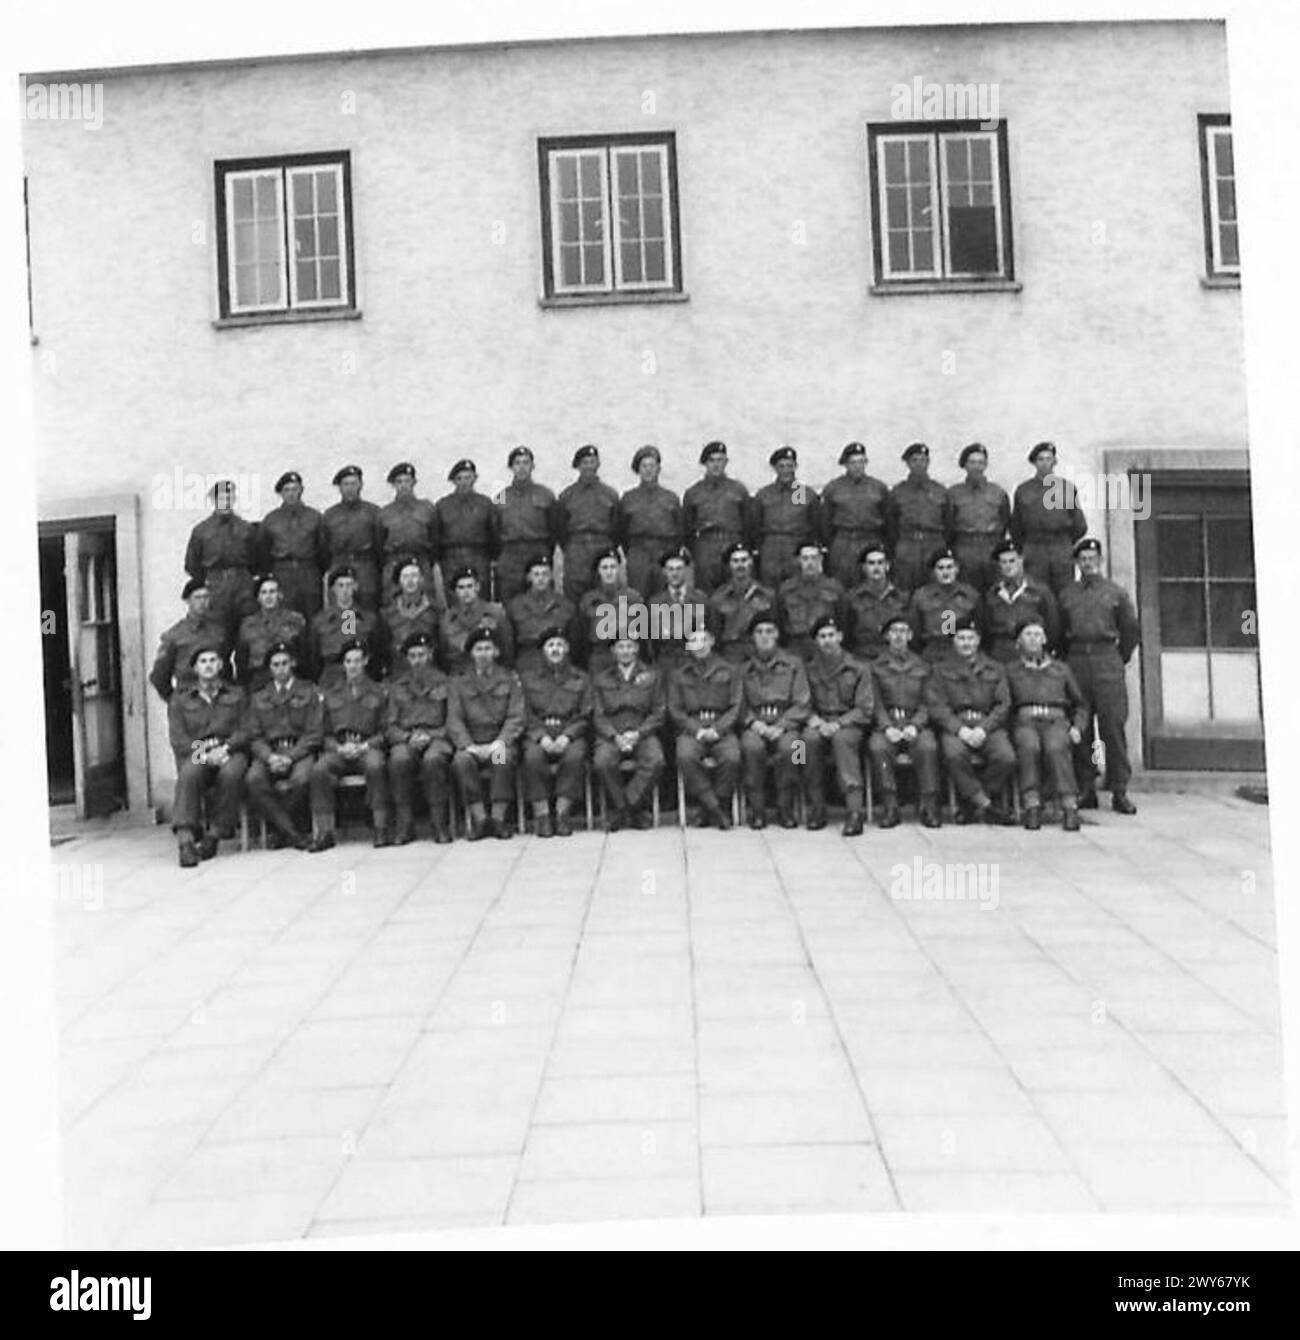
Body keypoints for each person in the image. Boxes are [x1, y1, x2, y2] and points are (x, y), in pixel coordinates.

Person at [1059, 537, 1141, 814]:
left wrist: (1119, 658)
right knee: (1081, 729)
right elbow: (1059, 631)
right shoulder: (1067, 594)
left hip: (1107, 660)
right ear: (1077, 563)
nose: (1088, 564)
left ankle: (1119, 789)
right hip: (1077, 659)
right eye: (1083, 560)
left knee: (1112, 729)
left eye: (1092, 559)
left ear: (1100, 561)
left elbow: (1130, 630)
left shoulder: (1116, 593)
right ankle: (1086, 787)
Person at [925, 615, 1016, 825]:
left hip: (987, 726)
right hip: (957, 726)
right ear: (953, 641)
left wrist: (984, 729)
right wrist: (960, 730)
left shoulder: (995, 668)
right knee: (954, 755)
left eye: (970, 638)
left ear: (978, 640)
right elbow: (937, 706)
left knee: (1006, 757)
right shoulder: (940, 670)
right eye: (961, 638)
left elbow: (1003, 704)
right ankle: (986, 805)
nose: (966, 643)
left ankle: (972, 802)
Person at [167, 644, 248, 867]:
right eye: (203, 662)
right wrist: (205, 754)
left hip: (229, 751)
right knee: (189, 773)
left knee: (232, 773)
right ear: (195, 668)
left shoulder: (236, 695)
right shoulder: (180, 701)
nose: (209, 665)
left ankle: (215, 835)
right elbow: (179, 739)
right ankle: (186, 842)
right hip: (199, 753)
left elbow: (246, 729)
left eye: (213, 660)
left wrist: (226, 749)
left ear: (221, 665)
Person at [308, 639, 392, 850]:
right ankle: (325, 832)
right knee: (319, 770)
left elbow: (386, 731)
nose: (352, 666)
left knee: (376, 766)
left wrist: (365, 746)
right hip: (340, 748)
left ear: (365, 661)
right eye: (348, 661)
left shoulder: (379, 692)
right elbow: (323, 733)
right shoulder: (331, 693)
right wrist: (338, 748)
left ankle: (380, 828)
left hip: (367, 747)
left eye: (357, 660)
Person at [1005, 620, 1088, 831]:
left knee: (1056, 747)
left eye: (1037, 634)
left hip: (1056, 721)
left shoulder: (1061, 669)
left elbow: (1080, 704)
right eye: (1028, 634)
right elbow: (1005, 705)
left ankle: (1069, 806)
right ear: (1018, 641)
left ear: (1044, 639)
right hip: (1025, 722)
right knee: (1029, 747)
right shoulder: (1011, 670)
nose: (1033, 639)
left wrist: (1077, 727)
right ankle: (1031, 805)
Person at [447, 626, 525, 840]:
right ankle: (480, 819)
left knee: (502, 760)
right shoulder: (458, 682)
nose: (483, 653)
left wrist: (499, 742)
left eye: (488, 648)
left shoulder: (509, 679)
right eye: (479, 649)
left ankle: (498, 819)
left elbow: (516, 716)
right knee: (461, 762)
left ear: (496, 652)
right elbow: (454, 719)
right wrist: (468, 745)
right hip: (471, 743)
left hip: (499, 742)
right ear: (472, 653)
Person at [242, 640, 321, 850]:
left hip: (299, 751)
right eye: (275, 665)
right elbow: (254, 737)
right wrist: (270, 757)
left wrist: (290, 757)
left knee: (302, 778)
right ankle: (293, 833)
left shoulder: (309, 691)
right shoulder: (259, 697)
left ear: (293, 663)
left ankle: (279, 830)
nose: (280, 669)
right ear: (269, 668)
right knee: (254, 779)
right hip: (270, 752)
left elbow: (314, 733)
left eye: (284, 663)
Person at [738, 611, 810, 829]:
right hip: (755, 725)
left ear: (778, 634)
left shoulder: (794, 664)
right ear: (752, 637)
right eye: (759, 632)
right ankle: (757, 809)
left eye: (769, 631)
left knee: (797, 751)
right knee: (751, 749)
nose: (764, 636)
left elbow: (803, 702)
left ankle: (786, 807)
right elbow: (737, 705)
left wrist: (781, 726)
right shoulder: (743, 669)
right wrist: (754, 723)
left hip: (787, 725)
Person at [801, 616, 872, 835]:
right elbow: (801, 701)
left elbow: (865, 709)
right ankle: (816, 806)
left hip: (849, 724)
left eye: (831, 635)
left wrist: (838, 724)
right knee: (803, 745)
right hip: (819, 721)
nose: (827, 640)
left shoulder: (859, 668)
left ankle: (854, 811)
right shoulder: (808, 669)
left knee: (842, 742)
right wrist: (813, 719)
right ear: (816, 641)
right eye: (822, 636)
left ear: (840, 637)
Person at [868, 614, 940, 828]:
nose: (899, 636)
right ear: (886, 636)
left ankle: (929, 806)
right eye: (894, 632)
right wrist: (886, 726)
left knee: (928, 746)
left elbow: (929, 702)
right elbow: (874, 701)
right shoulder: (875, 667)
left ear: (910, 636)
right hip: (888, 723)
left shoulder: (923, 666)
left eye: (903, 631)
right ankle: (890, 806)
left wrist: (915, 725)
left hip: (915, 723)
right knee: (878, 748)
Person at [520, 626, 592, 837]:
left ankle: (562, 814)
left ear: (567, 648)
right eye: (550, 645)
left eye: (559, 645)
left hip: (570, 732)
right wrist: (540, 737)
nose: (555, 649)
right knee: (531, 757)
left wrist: (567, 736)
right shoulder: (528, 679)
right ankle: (542, 815)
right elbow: (524, 713)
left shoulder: (581, 678)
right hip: (538, 732)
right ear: (542, 650)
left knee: (575, 756)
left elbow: (585, 713)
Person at [668, 625, 742, 830]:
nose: (699, 645)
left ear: (712, 641)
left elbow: (736, 706)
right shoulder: (678, 673)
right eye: (694, 641)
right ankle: (717, 809)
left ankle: (709, 807)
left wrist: (718, 729)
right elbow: (675, 709)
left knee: (732, 757)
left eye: (703, 640)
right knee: (685, 756)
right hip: (692, 728)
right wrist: (696, 730)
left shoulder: (729, 670)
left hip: (722, 728)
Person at [386, 632, 454, 845]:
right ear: (407, 658)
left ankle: (439, 824)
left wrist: (431, 735)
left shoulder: (446, 682)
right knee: (398, 760)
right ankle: (405, 825)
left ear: (430, 655)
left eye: (421, 655)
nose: (417, 660)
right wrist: (407, 737)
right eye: (413, 656)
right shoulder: (398, 686)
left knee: (433, 760)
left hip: (438, 737)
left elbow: (454, 721)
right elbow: (389, 726)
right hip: (408, 738)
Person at [591, 633, 664, 831]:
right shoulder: (601, 679)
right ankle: (629, 809)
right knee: (602, 761)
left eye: (629, 646)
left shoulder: (652, 675)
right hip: (612, 733)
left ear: (637, 649)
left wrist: (639, 733)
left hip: (642, 732)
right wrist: (615, 736)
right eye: (620, 647)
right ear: (613, 651)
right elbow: (598, 715)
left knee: (655, 760)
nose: (625, 651)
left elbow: (659, 712)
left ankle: (626, 807)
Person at [184, 479, 259, 640]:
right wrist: (210, 582)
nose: (225, 502)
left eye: (229, 498)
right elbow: (192, 564)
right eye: (221, 499)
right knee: (217, 636)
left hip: (243, 586)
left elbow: (257, 560)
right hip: (216, 588)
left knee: (248, 634)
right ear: (214, 500)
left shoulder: (246, 528)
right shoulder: (202, 530)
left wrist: (245, 579)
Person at [1009, 442, 1087, 595]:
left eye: (1048, 459)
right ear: (1034, 463)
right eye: (1040, 459)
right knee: (1036, 593)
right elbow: (1016, 526)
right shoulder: (1024, 490)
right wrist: (1026, 548)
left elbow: (1080, 525)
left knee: (1064, 593)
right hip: (1035, 548)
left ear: (1054, 462)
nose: (1045, 464)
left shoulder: (1066, 488)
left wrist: (1064, 542)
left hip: (1061, 548)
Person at [818, 442, 890, 589]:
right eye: (853, 462)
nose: (857, 466)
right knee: (841, 585)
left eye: (861, 462)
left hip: (870, 540)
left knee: (871, 584)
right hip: (843, 542)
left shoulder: (878, 487)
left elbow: (888, 519)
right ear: (845, 464)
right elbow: (825, 522)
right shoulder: (833, 488)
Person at [683, 440, 750, 593]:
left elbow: (748, 522)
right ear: (705, 464)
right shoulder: (694, 492)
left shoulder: (738, 490)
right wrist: (696, 550)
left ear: (726, 462)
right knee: (705, 592)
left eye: (720, 460)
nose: (716, 465)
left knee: (734, 590)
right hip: (705, 545)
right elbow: (686, 527)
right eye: (711, 461)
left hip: (732, 542)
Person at [556, 444, 620, 601]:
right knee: (575, 599)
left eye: (593, 462)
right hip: (576, 553)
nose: (589, 467)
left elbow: (618, 528)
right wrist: (572, 549)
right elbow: (559, 530)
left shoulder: (610, 495)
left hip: (602, 550)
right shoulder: (567, 495)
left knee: (603, 597)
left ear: (598, 464)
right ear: (578, 466)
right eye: (585, 462)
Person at [495, 446, 559, 602]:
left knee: (541, 599)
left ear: (533, 466)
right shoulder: (502, 496)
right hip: (510, 556)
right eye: (517, 463)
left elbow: (555, 528)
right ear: (511, 467)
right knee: (509, 600)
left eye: (526, 462)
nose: (522, 467)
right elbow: (494, 528)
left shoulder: (545, 494)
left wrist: (545, 553)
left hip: (537, 551)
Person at [258, 470, 325, 619]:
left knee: (313, 616)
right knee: (285, 617)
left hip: (309, 572)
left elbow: (324, 549)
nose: (291, 494)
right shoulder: (271, 519)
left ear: (301, 490)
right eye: (286, 490)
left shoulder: (314, 517)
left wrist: (314, 569)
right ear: (281, 493)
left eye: (295, 489)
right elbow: (263, 551)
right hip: (283, 573)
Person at [618, 445, 683, 596]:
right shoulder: (629, 498)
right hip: (638, 553)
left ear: (658, 469)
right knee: (637, 597)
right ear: (638, 469)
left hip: (664, 551)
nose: (648, 470)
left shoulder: (671, 498)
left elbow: (680, 529)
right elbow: (620, 530)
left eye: (652, 465)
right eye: (644, 466)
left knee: (663, 597)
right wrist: (634, 553)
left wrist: (671, 552)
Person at [149, 578, 229, 701]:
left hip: (216, 699)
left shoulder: (219, 632)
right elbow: (159, 676)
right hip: (187, 698)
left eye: (206, 597)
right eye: (197, 598)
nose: (202, 602)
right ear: (188, 600)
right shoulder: (175, 635)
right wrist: (174, 701)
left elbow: (226, 667)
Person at [982, 539, 1061, 663]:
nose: (1008, 566)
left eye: (1012, 561)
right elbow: (985, 629)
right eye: (1004, 562)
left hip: (1029, 656)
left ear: (1021, 560)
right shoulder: (992, 594)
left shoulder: (1040, 592)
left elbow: (1053, 627)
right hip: (999, 656)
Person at [887, 443, 951, 593]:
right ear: (908, 463)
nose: (919, 464)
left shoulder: (940, 491)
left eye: (923, 460)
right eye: (914, 460)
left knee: (936, 590)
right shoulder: (898, 491)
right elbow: (890, 525)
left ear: (928, 462)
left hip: (934, 544)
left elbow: (949, 523)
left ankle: (943, 618)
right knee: (904, 589)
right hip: (907, 546)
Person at [751, 446, 820, 585]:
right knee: (769, 587)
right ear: (775, 468)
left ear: (796, 466)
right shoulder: (765, 494)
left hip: (796, 546)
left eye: (790, 466)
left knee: (795, 587)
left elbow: (815, 524)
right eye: (781, 466)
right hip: (771, 547)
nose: (786, 470)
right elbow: (755, 526)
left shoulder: (803, 493)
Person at [947, 443, 1011, 592]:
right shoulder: (954, 493)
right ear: (964, 465)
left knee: (995, 593)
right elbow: (948, 525)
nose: (977, 467)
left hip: (992, 549)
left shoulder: (998, 492)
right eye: (972, 462)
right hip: (965, 549)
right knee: (967, 593)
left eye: (981, 463)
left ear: (986, 465)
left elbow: (1006, 520)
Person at [321, 465, 383, 612]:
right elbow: (323, 549)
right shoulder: (330, 515)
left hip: (366, 569)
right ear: (340, 488)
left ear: (360, 485)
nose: (350, 488)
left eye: (353, 483)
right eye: (345, 484)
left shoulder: (373, 512)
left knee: (367, 614)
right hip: (340, 567)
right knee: (345, 613)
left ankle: (364, 636)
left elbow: (380, 544)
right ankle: (348, 635)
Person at [435, 459, 499, 595]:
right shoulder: (442, 505)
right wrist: (440, 560)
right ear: (453, 481)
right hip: (451, 558)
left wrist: (493, 559)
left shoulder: (485, 503)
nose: (464, 482)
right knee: (455, 596)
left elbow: (494, 532)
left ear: (475, 479)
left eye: (468, 477)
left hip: (479, 556)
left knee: (480, 594)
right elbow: (436, 535)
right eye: (459, 478)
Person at [311, 566, 382, 688]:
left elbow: (377, 652)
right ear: (333, 589)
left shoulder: (369, 619)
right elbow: (313, 656)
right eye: (340, 585)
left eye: (349, 585)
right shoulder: (320, 620)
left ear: (356, 587)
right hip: (331, 678)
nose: (345, 590)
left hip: (362, 677)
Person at [706, 541, 776, 663]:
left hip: (758, 653)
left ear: (751, 563)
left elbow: (776, 629)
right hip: (729, 655)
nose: (740, 565)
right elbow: (714, 633)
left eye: (744, 560)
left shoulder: (767, 595)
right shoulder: (718, 598)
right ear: (729, 565)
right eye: (735, 561)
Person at [908, 547, 982, 663]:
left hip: (962, 653)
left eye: (949, 567)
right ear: (934, 571)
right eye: (940, 568)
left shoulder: (971, 595)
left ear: (957, 569)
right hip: (932, 653)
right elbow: (914, 631)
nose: (945, 572)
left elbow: (981, 629)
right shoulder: (921, 596)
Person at [506, 554, 577, 674]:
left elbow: (575, 641)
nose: (541, 579)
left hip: (558, 662)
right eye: (536, 574)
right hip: (527, 662)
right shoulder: (515, 606)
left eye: (545, 574)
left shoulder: (566, 605)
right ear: (528, 577)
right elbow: (508, 643)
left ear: (551, 577)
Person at [236, 573, 308, 689]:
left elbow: (305, 655)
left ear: (280, 595)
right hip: (259, 680)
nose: (268, 596)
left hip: (290, 678)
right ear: (258, 598)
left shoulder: (296, 620)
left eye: (272, 592)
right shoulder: (247, 625)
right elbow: (241, 660)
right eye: (264, 593)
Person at [776, 541, 845, 661]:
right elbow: (780, 621)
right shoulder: (786, 589)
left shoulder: (834, 588)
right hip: (796, 647)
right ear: (798, 561)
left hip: (825, 646)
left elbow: (843, 620)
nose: (810, 563)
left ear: (821, 560)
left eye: (814, 558)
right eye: (805, 558)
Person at [578, 549, 644, 673]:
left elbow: (642, 633)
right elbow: (582, 634)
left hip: (626, 654)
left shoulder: (633, 598)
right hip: (599, 656)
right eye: (605, 567)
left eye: (613, 567)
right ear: (598, 571)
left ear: (619, 569)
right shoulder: (588, 599)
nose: (609, 572)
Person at [843, 543, 910, 663]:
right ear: (864, 567)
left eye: (880, 563)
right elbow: (846, 634)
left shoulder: (902, 597)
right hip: (863, 657)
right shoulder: (852, 598)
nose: (876, 567)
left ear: (887, 566)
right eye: (871, 563)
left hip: (893, 659)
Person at [379, 462, 439, 594]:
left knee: (425, 601)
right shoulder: (385, 513)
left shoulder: (427, 508)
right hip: (394, 562)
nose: (403, 485)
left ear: (414, 482)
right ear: (393, 485)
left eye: (407, 481)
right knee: (392, 601)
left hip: (421, 561)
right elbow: (379, 543)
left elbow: (436, 538)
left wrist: (428, 560)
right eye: (399, 482)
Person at [439, 567, 513, 675]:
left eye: (470, 586)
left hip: (491, 674)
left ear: (477, 587)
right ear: (455, 591)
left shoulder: (495, 613)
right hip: (460, 676)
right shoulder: (448, 618)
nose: (466, 592)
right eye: (461, 587)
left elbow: (507, 649)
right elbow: (444, 654)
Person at [645, 547, 710, 669]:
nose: (675, 573)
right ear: (664, 571)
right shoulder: (655, 602)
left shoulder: (700, 599)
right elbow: (650, 640)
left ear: (686, 570)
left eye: (679, 569)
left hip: (694, 663)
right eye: (671, 569)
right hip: (665, 664)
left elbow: (710, 631)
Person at [380, 557, 442, 672]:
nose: (410, 581)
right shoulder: (387, 613)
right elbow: (383, 650)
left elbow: (441, 648)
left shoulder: (435, 611)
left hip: (430, 674)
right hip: (399, 675)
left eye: (414, 576)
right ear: (399, 581)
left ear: (422, 579)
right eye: (405, 577)